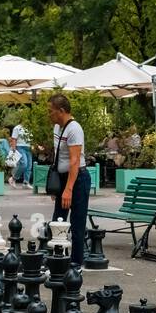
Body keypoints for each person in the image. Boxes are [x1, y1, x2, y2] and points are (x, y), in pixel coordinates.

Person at [47, 93, 89, 266]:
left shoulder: (74, 129)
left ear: (61, 111)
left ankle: (76, 265)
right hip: (63, 179)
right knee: (57, 222)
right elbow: (59, 156)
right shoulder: (57, 127)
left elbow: (74, 161)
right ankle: (58, 261)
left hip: (77, 180)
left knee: (77, 225)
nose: (49, 114)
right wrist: (57, 187)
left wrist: (68, 189)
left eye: (51, 111)